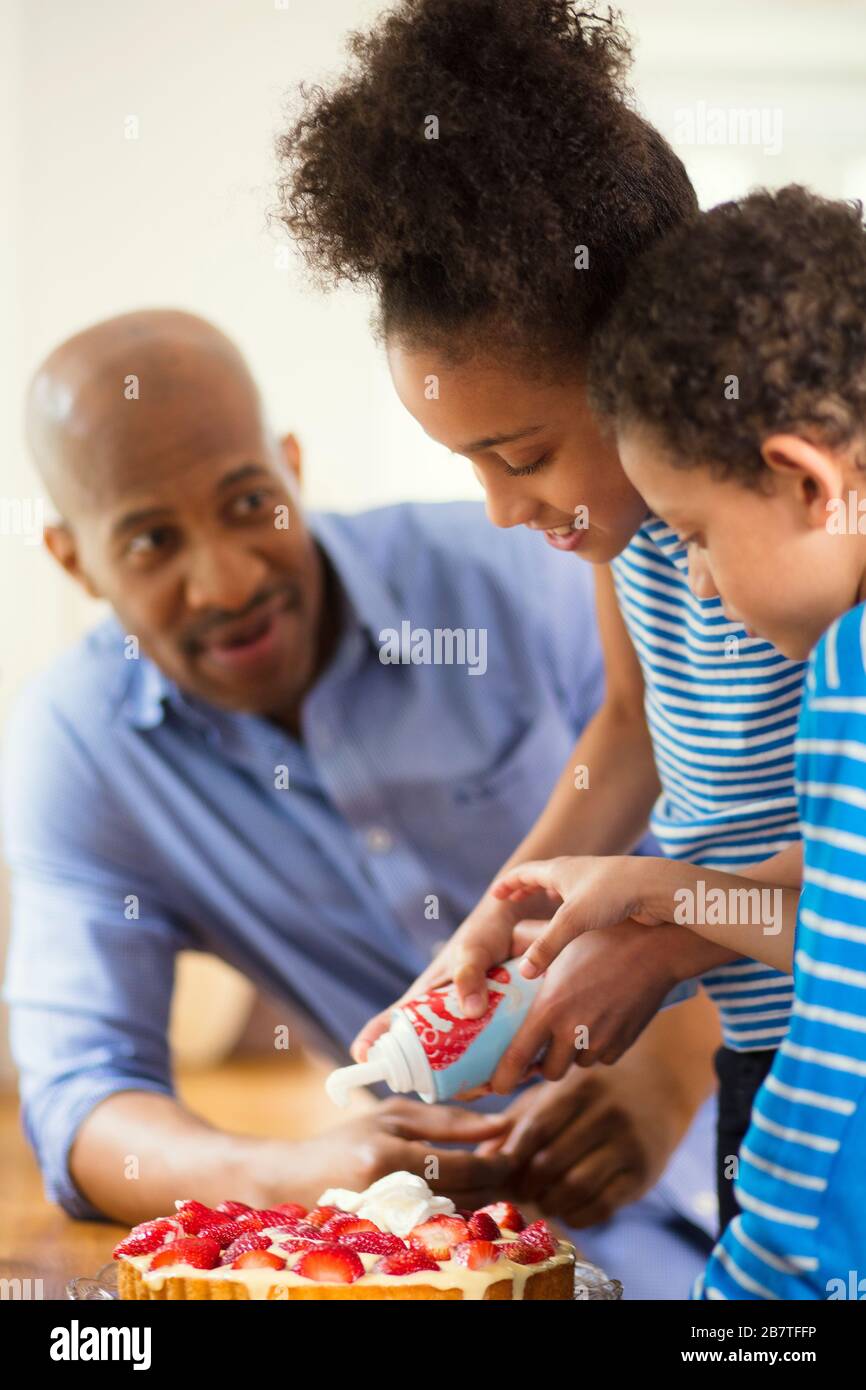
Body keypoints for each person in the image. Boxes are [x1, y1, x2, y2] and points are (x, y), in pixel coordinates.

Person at [1, 307, 718, 1297]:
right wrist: (290, 1172)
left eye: (249, 501)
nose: (225, 580)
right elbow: (84, 1098)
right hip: (463, 1266)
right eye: (151, 540)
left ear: (291, 466)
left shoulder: (515, 569)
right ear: (73, 558)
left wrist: (669, 1068)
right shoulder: (79, 752)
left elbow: (758, 826)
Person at [275, 0, 802, 1233]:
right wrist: (492, 930)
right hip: (764, 1052)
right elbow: (626, 725)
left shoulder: (792, 559)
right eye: (467, 464)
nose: (504, 510)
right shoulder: (620, 530)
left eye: (519, 452)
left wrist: (672, 927)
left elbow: (837, 882)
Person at [489, 185, 866, 1297]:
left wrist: (742, 1294)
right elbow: (831, 926)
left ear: (805, 479)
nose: (690, 578)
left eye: (694, 536)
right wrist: (658, 898)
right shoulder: (837, 674)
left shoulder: (842, 671)